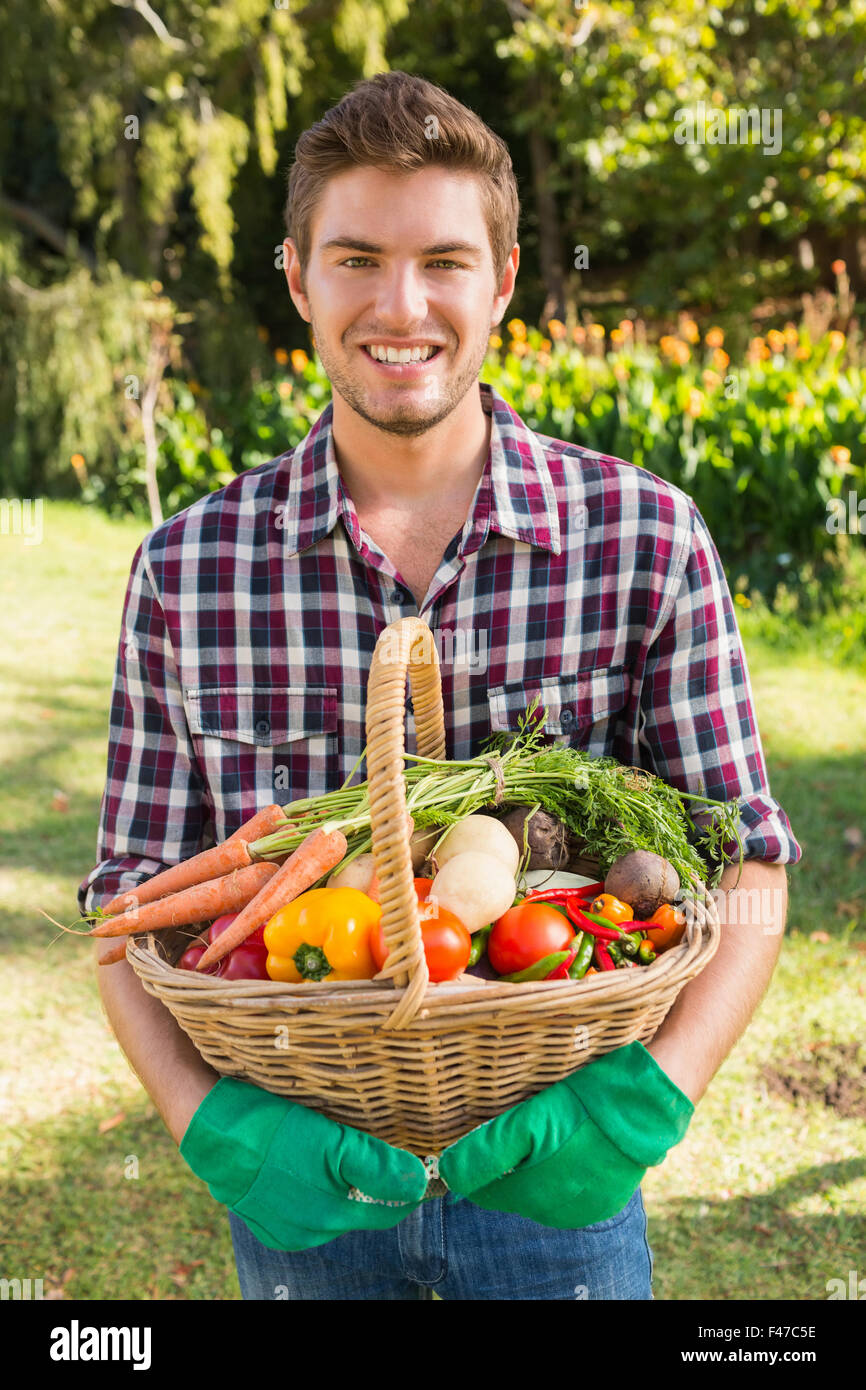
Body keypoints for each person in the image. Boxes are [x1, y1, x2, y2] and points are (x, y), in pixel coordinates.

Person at [80, 71, 802, 1301]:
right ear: (299, 278)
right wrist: (210, 1124)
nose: (399, 305)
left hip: (555, 1193)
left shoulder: (644, 538)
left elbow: (748, 863)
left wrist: (640, 1106)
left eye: (443, 261)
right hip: (301, 1195)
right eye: (355, 257)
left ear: (503, 280)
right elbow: (124, 904)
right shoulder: (186, 572)